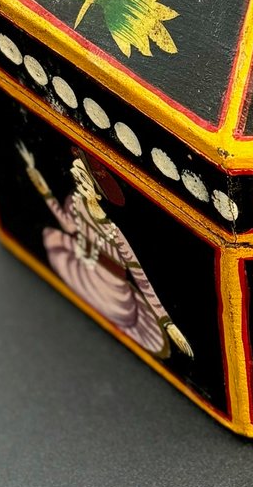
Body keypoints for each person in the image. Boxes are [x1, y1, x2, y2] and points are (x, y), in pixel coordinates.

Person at [19, 142, 192, 360]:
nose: (78, 183)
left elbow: (141, 279)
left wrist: (167, 324)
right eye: (77, 177)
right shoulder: (76, 203)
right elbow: (68, 226)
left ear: (97, 192)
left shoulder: (113, 231)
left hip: (112, 288)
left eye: (83, 179)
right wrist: (45, 191)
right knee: (56, 246)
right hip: (82, 267)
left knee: (122, 310)